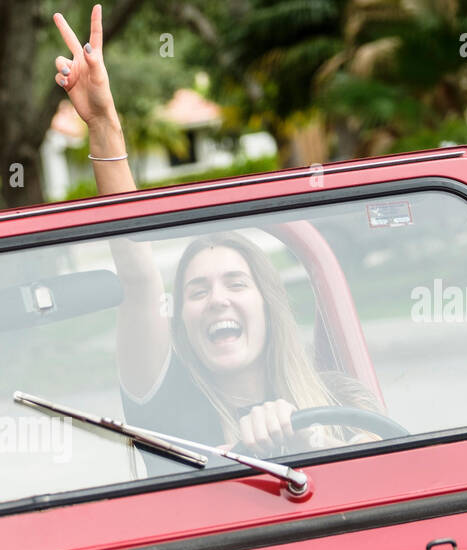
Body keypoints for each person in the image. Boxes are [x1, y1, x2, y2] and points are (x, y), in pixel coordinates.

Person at [51, 6, 385, 473]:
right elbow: (137, 272)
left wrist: (312, 438)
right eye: (197, 291)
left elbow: (385, 480)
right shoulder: (166, 408)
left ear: (268, 304)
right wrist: (104, 124)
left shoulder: (341, 398)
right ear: (181, 321)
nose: (217, 300)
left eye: (235, 283)